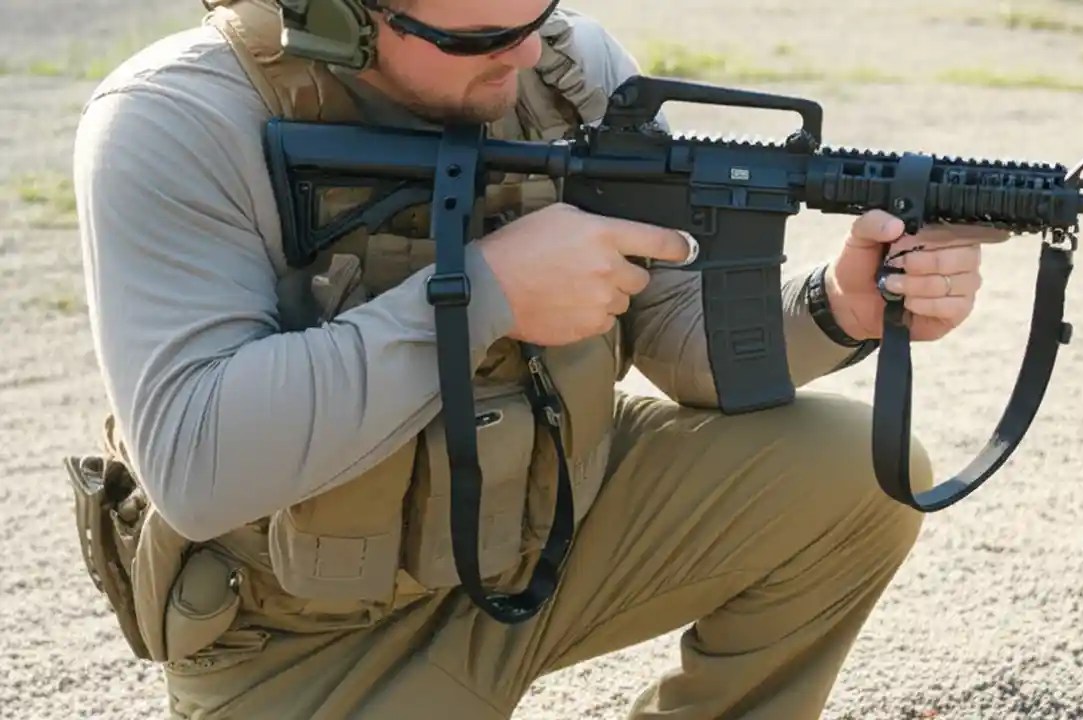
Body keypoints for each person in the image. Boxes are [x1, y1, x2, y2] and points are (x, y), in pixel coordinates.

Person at [69, 0, 1004, 717]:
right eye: (479, 38)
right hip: (308, 641)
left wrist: (837, 307)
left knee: (853, 474)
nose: (519, 55)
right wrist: (486, 294)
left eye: (535, 14)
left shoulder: (562, 64)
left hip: (544, 537)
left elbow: (673, 321)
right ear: (338, 17)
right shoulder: (178, 120)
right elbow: (194, 463)